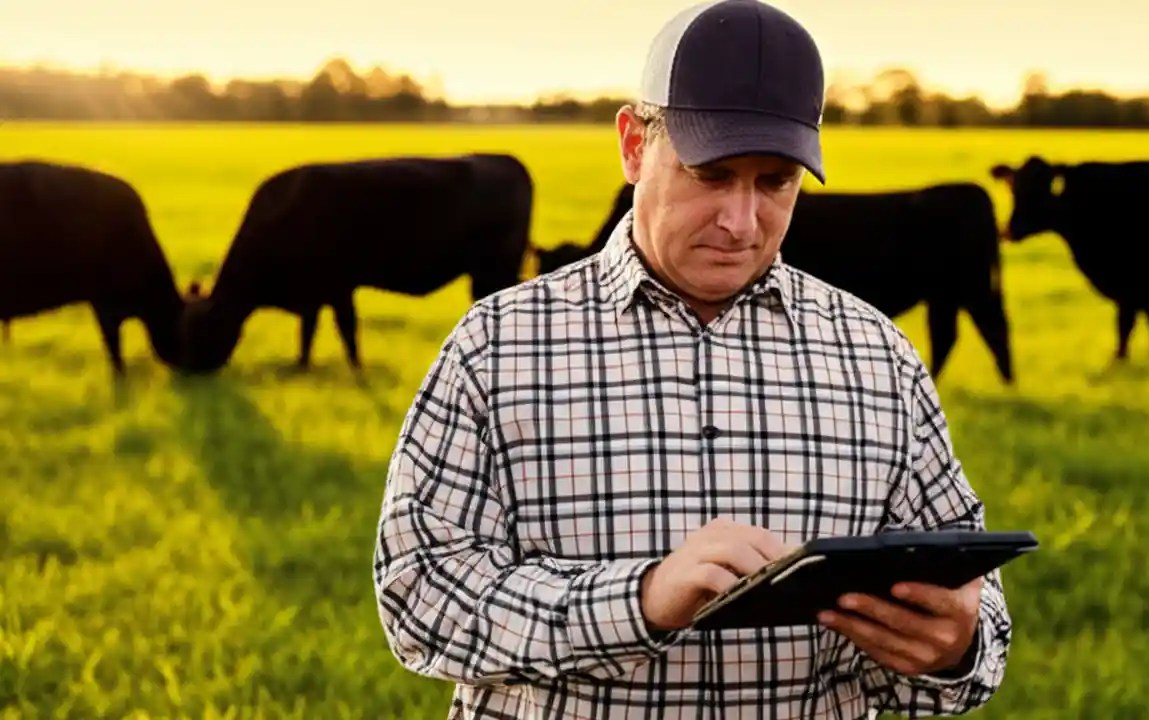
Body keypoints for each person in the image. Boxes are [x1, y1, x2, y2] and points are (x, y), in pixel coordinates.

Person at [372, 0, 1014, 717]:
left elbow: (980, 627)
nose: (741, 223)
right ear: (633, 145)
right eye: (711, 173)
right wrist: (641, 600)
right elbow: (418, 600)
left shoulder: (878, 356)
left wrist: (955, 647)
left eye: (775, 182)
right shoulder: (497, 346)